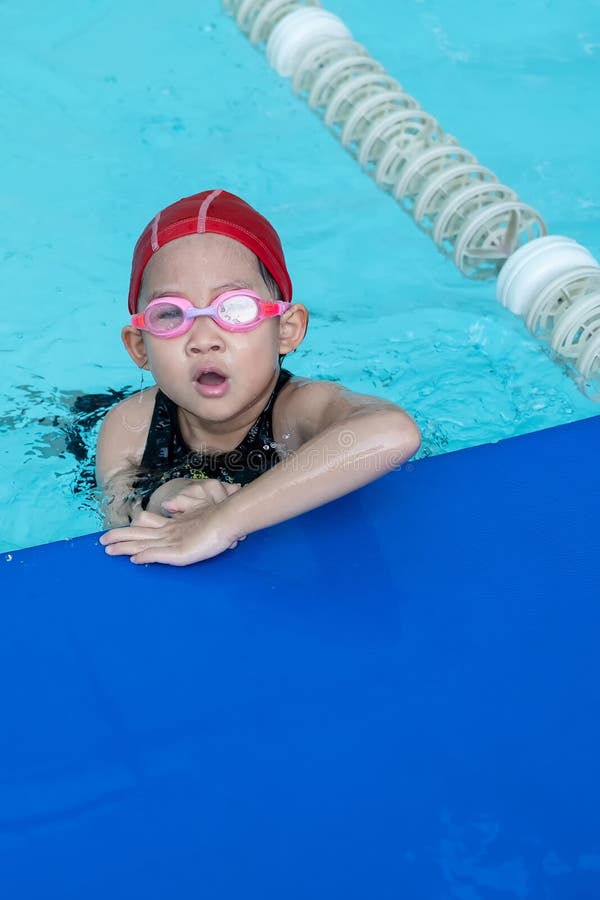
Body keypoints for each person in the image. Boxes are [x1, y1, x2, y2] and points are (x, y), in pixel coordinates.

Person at [97, 189, 421, 566]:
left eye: (235, 309)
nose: (204, 340)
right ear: (139, 347)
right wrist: (170, 495)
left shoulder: (297, 411)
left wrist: (222, 520)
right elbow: (118, 520)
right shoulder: (129, 426)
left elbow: (394, 431)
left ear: (286, 329)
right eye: (169, 314)